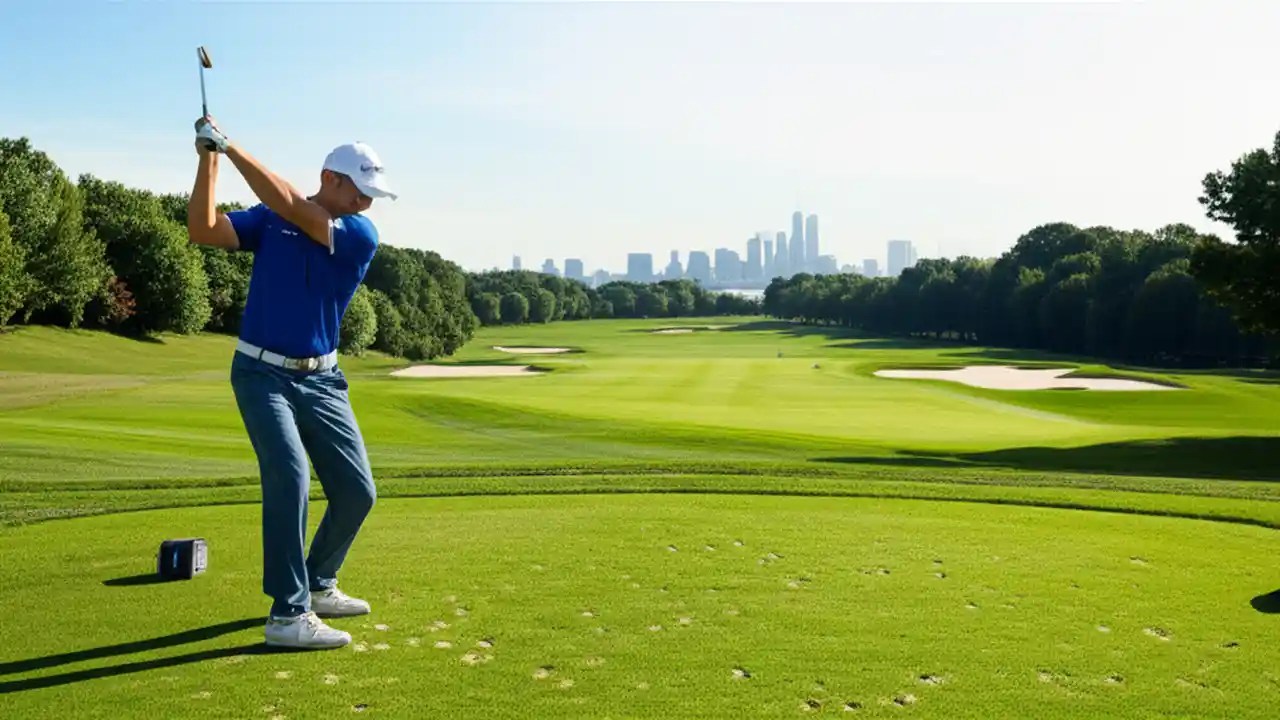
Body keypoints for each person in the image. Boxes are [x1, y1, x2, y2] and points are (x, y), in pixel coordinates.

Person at [186, 116, 396, 649]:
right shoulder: (269, 220)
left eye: (373, 195)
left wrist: (230, 147)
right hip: (260, 373)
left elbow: (292, 206)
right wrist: (209, 158)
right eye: (360, 192)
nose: (367, 204)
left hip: (322, 380)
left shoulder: (358, 234)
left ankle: (319, 581)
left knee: (356, 491)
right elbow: (204, 230)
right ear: (331, 177)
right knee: (289, 475)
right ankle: (288, 613)